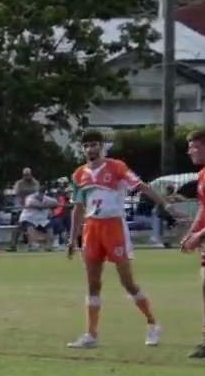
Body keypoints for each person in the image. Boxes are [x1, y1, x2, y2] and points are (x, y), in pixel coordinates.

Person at [66, 131, 169, 349]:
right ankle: (91, 334)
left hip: (114, 227)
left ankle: (152, 324)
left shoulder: (116, 167)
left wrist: (164, 204)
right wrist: (72, 237)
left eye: (94, 144)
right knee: (93, 284)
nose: (90, 149)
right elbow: (77, 207)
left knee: (128, 282)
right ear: (82, 149)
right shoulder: (78, 174)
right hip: (91, 228)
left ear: (102, 147)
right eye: (86, 146)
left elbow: (140, 185)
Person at [180, 127, 205, 358]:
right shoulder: (203, 175)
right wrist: (191, 233)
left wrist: (199, 236)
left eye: (193, 146)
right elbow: (204, 207)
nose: (189, 151)